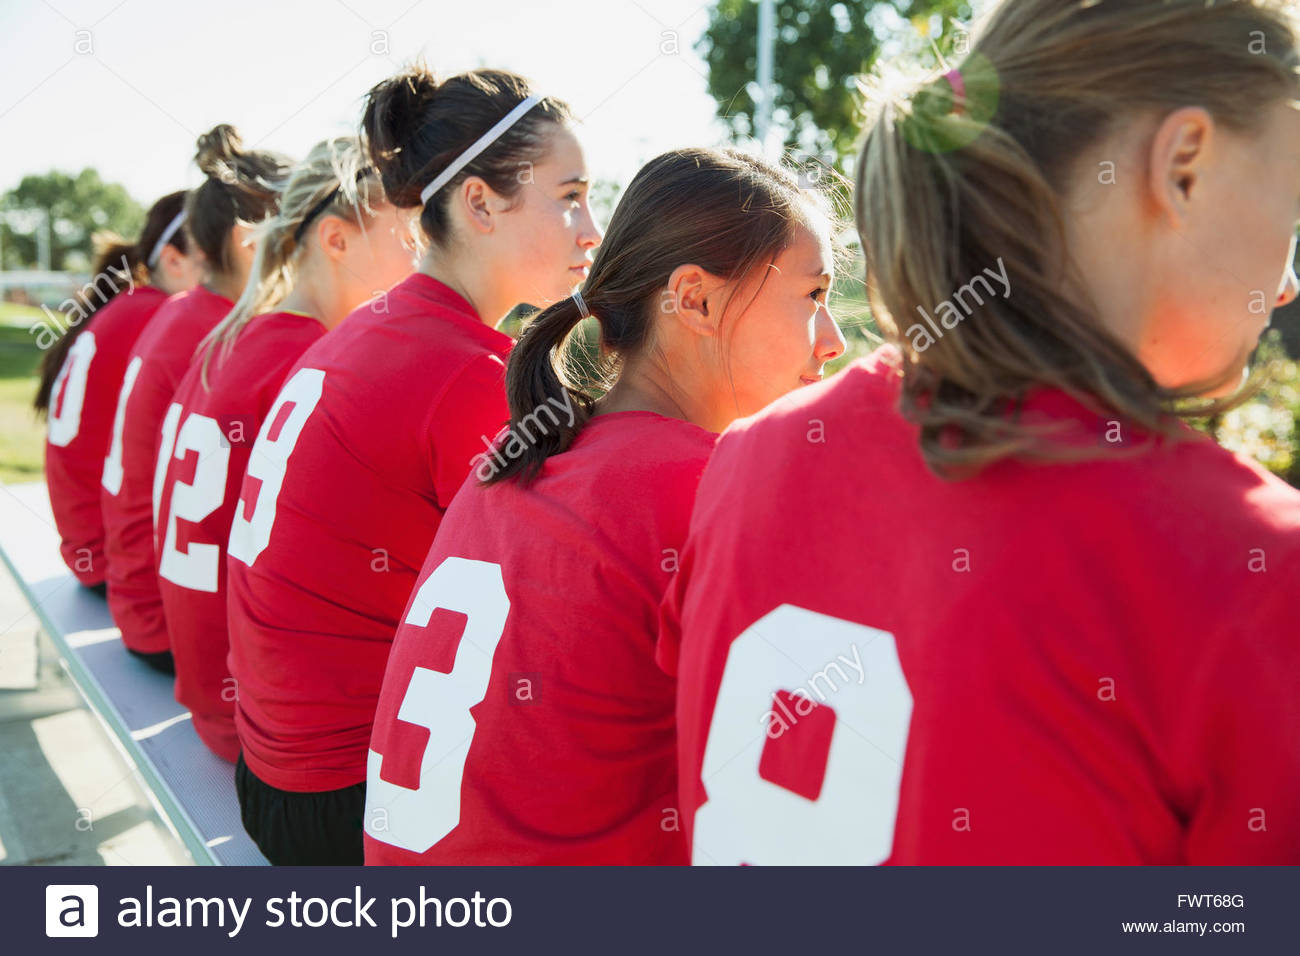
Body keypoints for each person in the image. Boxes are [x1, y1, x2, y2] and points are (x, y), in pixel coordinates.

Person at [667, 0, 1300, 865]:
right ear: (1184, 165)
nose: (1289, 279)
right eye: (1293, 204)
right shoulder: (1250, 563)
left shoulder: (752, 456)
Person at [364, 146, 845, 865]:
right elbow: (805, 795)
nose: (834, 341)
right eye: (812, 297)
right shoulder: (708, 486)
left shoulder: (516, 455)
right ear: (696, 300)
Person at [225, 65, 601, 865]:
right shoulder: (462, 370)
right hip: (343, 801)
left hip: (278, 774)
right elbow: (558, 620)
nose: (591, 228)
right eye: (569, 195)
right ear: (478, 204)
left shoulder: (376, 328)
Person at [154, 137, 415, 763]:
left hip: (211, 689)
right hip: (255, 723)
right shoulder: (312, 361)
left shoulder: (241, 335)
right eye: (407, 234)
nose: (423, 253)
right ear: (335, 241)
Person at [101, 125, 290, 672]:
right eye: (298, 225)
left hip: (146, 596)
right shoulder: (232, 336)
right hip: (169, 626)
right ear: (247, 239)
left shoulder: (189, 314)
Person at [38, 191, 202, 589]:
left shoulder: (133, 304)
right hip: (112, 563)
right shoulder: (160, 315)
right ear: (173, 261)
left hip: (89, 547)